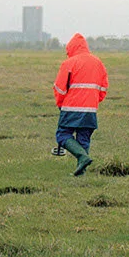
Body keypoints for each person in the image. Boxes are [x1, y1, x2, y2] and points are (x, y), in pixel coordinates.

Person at [52, 33, 109, 176]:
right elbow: (103, 88)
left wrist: (60, 104)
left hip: (70, 107)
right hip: (91, 109)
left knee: (63, 135)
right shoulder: (98, 63)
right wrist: (93, 101)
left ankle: (82, 157)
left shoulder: (68, 63)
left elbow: (59, 88)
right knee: (83, 138)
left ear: (70, 48)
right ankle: (81, 172)